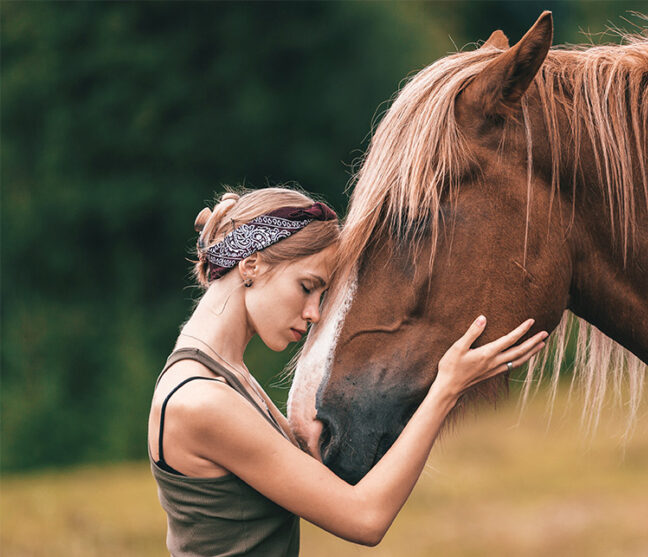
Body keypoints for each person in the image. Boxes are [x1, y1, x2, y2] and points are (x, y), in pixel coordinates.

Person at [148, 187, 547, 556]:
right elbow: (365, 518)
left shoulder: (224, 376)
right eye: (308, 287)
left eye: (321, 295)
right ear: (251, 265)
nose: (314, 313)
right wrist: (446, 388)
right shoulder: (202, 402)